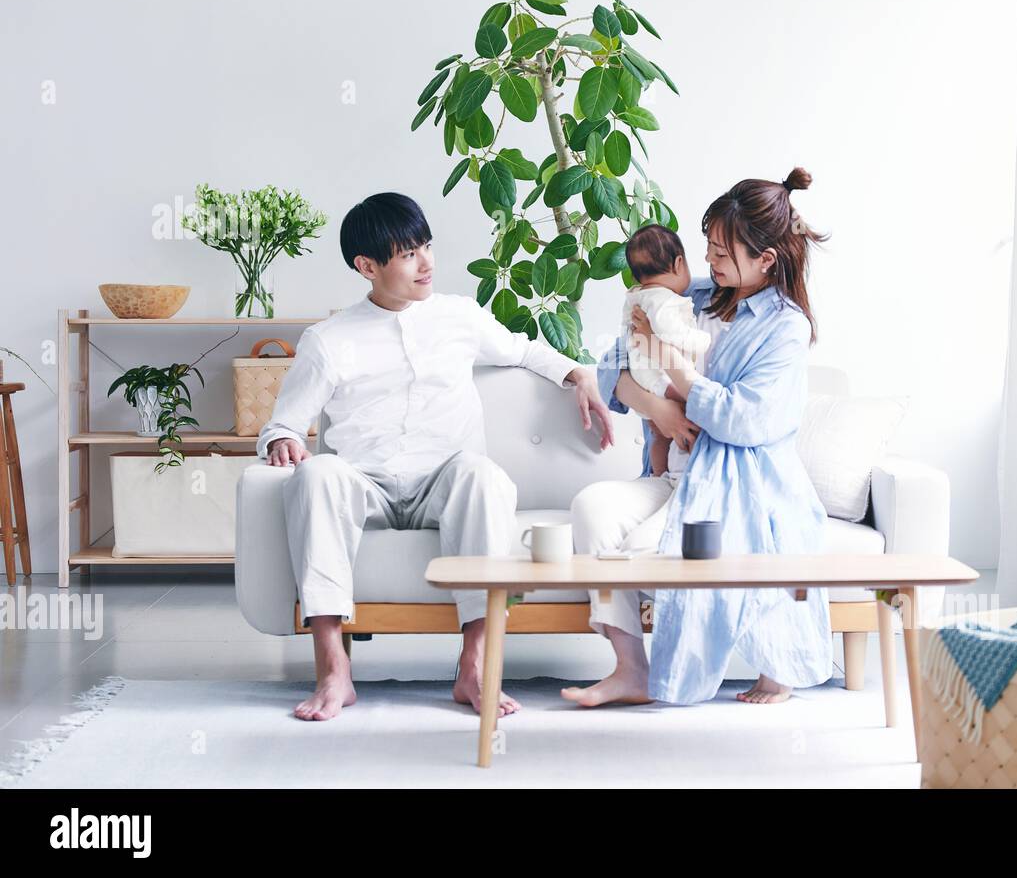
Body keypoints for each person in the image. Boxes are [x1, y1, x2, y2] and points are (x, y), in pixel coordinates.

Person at [258, 192, 613, 721]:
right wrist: (282, 440)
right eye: (407, 254)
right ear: (366, 266)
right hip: (366, 484)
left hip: (444, 480)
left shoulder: (460, 316)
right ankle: (334, 672)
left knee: (484, 476)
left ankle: (474, 667)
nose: (426, 263)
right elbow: (283, 422)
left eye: (426, 246)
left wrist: (579, 372)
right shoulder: (328, 340)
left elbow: (525, 350)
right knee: (317, 477)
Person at [562, 167, 832, 707]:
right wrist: (658, 408)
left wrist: (670, 365)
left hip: (736, 486)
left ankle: (766, 664)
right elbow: (614, 362)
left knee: (646, 555)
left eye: (722, 254)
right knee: (592, 508)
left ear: (766, 260)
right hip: (671, 475)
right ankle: (631, 670)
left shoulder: (785, 326)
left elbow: (742, 419)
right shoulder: (697, 297)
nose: (708, 262)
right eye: (707, 247)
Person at [620, 225, 713, 476]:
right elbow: (673, 333)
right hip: (658, 380)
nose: (710, 258)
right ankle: (665, 478)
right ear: (678, 263)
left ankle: (659, 477)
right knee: (695, 408)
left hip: (645, 377)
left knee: (659, 436)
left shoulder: (638, 296)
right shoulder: (664, 300)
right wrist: (703, 340)